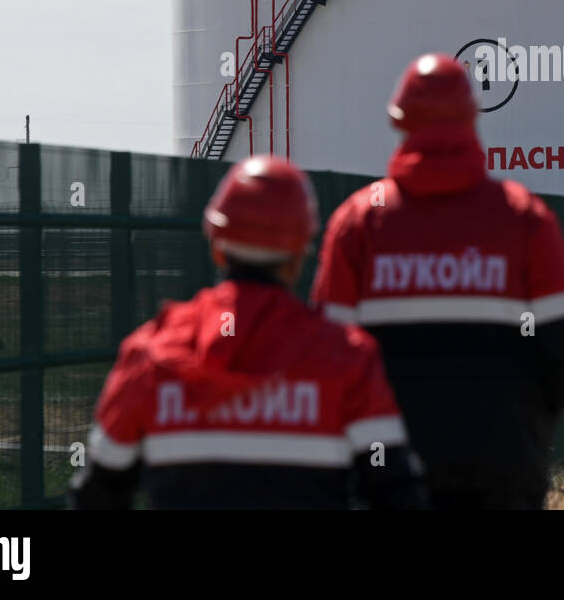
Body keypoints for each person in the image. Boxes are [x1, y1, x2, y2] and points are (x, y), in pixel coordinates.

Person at [69, 155, 427, 509]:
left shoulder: (149, 355)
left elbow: (98, 493)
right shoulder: (348, 358)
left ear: (217, 247)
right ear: (297, 257)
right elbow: (393, 489)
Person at [312, 53, 564, 509]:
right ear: (471, 118)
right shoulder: (522, 217)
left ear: (399, 121)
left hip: (390, 478)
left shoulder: (359, 223)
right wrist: (524, 427)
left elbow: (328, 360)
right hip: (504, 466)